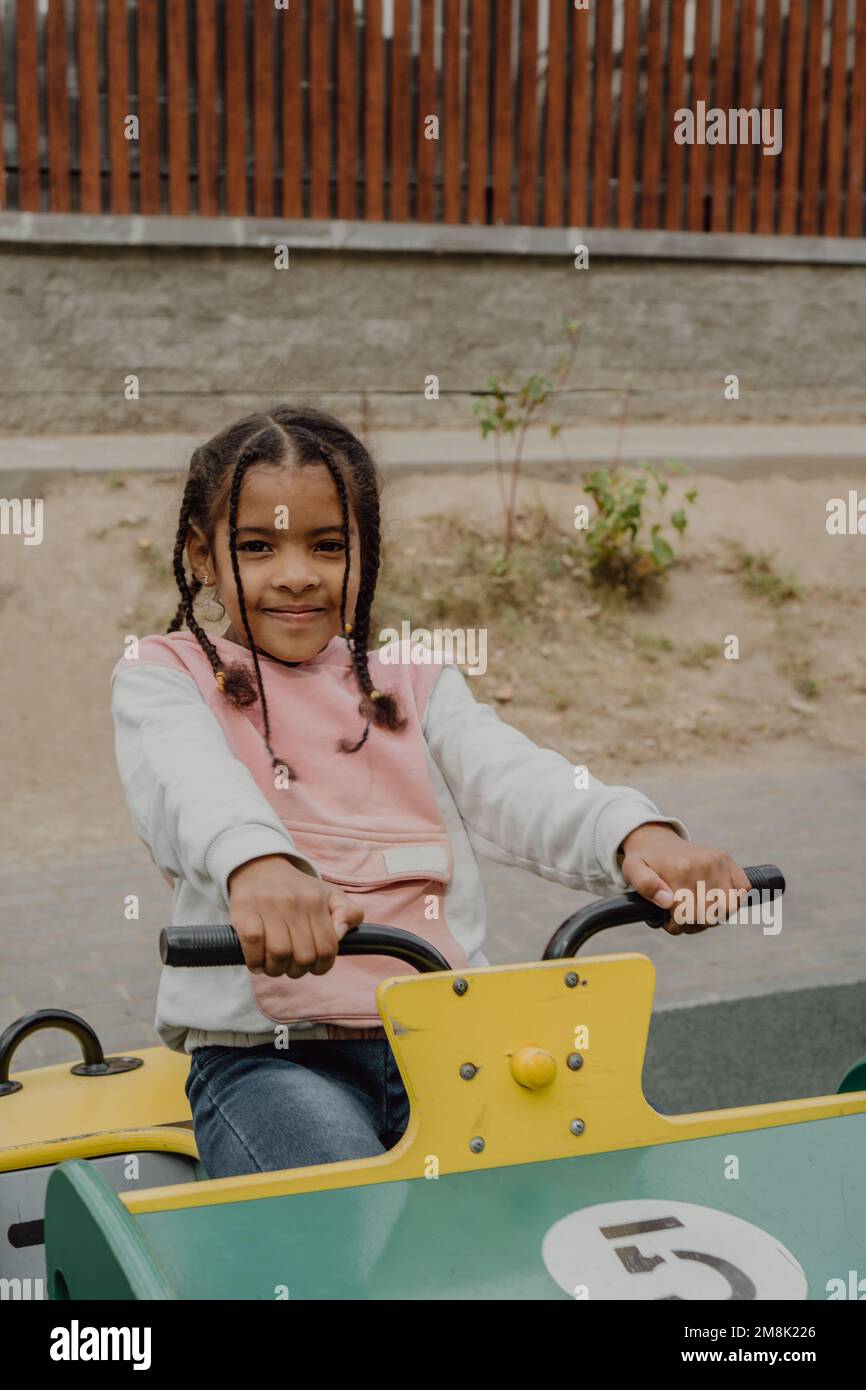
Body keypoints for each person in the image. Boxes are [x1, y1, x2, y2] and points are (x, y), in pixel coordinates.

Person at [110, 405, 750, 1178]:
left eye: (327, 545)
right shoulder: (165, 678)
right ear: (201, 556)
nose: (296, 573)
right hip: (274, 1062)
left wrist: (637, 837)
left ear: (363, 551)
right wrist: (256, 864)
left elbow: (521, 779)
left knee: (567, 1192)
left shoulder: (411, 679)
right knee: (346, 1208)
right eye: (256, 546)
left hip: (454, 1045)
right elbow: (191, 786)